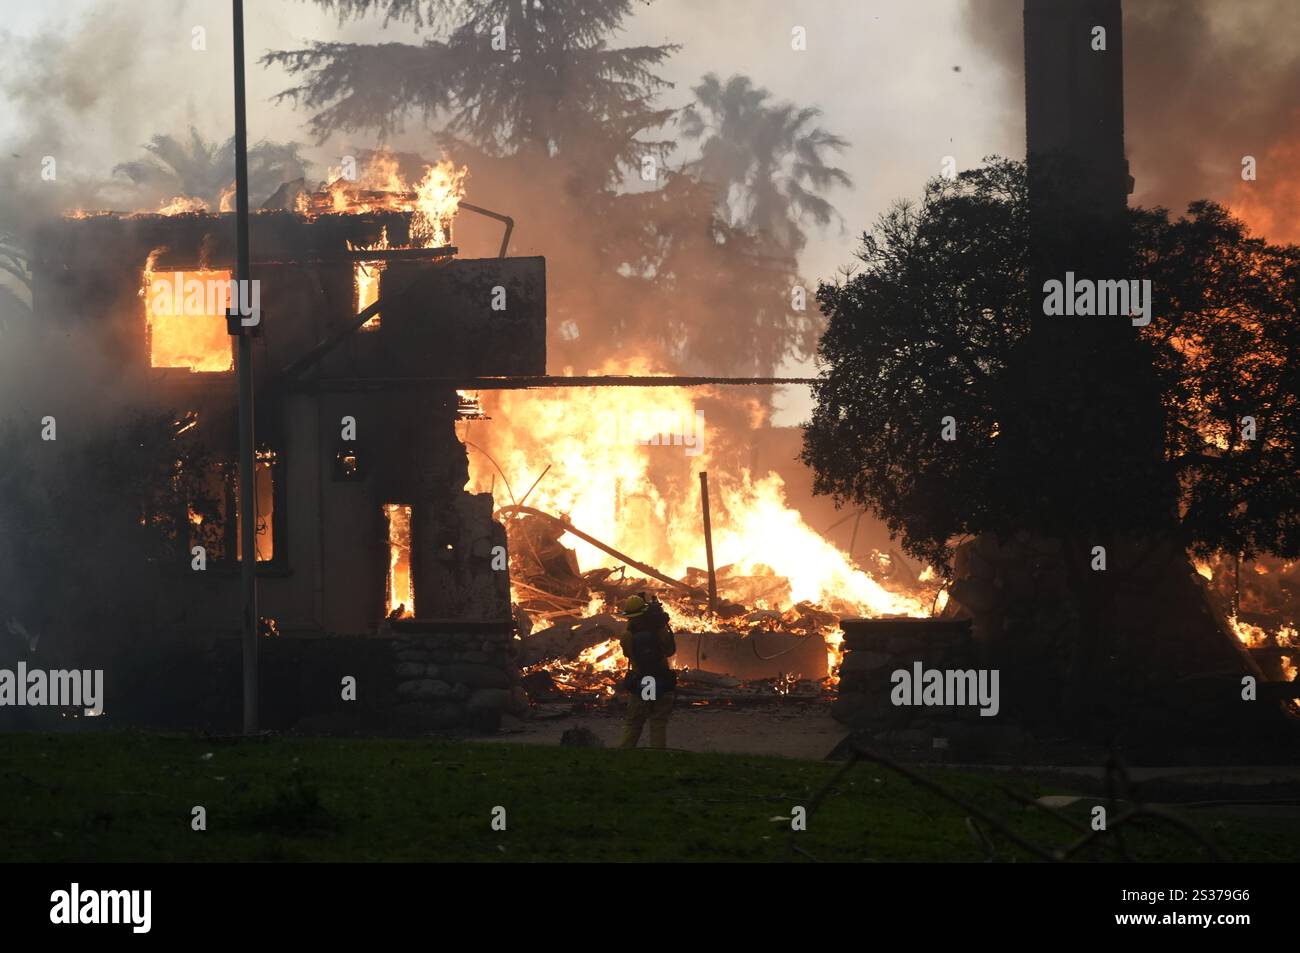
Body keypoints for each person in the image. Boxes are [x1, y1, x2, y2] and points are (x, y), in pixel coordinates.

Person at [617, 593, 677, 749]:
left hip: (643, 681)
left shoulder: (627, 635)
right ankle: (657, 755)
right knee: (657, 720)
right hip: (660, 679)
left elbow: (628, 654)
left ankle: (624, 752)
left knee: (635, 720)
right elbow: (670, 650)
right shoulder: (659, 629)